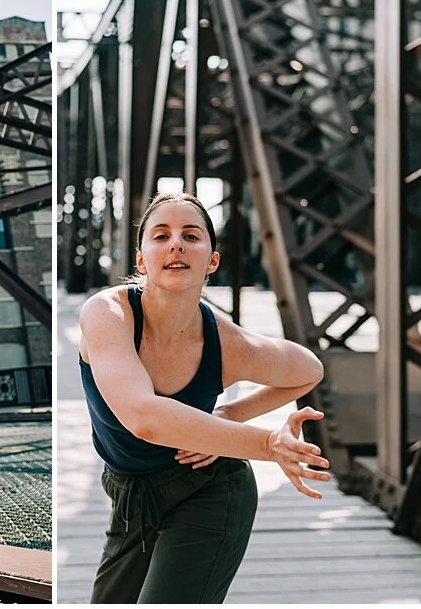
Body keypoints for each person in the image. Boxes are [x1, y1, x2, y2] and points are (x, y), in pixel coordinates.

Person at [78, 192, 331, 603]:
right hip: (130, 498)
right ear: (141, 261)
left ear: (212, 260)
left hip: (211, 490)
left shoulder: (225, 341)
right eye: (161, 235)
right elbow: (143, 417)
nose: (176, 243)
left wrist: (231, 413)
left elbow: (309, 370)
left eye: (191, 235)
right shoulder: (109, 314)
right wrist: (267, 443)